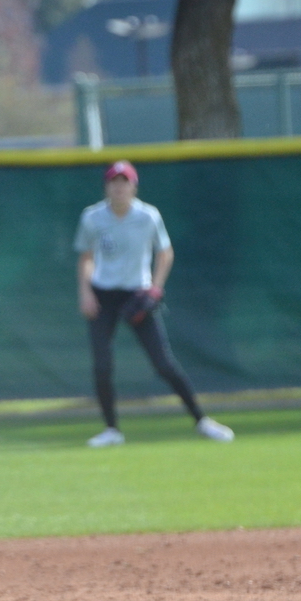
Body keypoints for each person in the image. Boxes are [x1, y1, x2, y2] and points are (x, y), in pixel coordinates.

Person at [75, 160, 233, 447]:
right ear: (106, 186)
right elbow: (86, 258)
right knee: (101, 365)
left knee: (163, 364)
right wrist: (85, 292)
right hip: (104, 294)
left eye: (125, 181)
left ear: (134, 186)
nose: (119, 187)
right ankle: (112, 430)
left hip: (138, 294)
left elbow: (165, 252)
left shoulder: (148, 216)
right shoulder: (92, 217)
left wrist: (155, 288)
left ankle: (202, 420)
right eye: (114, 181)